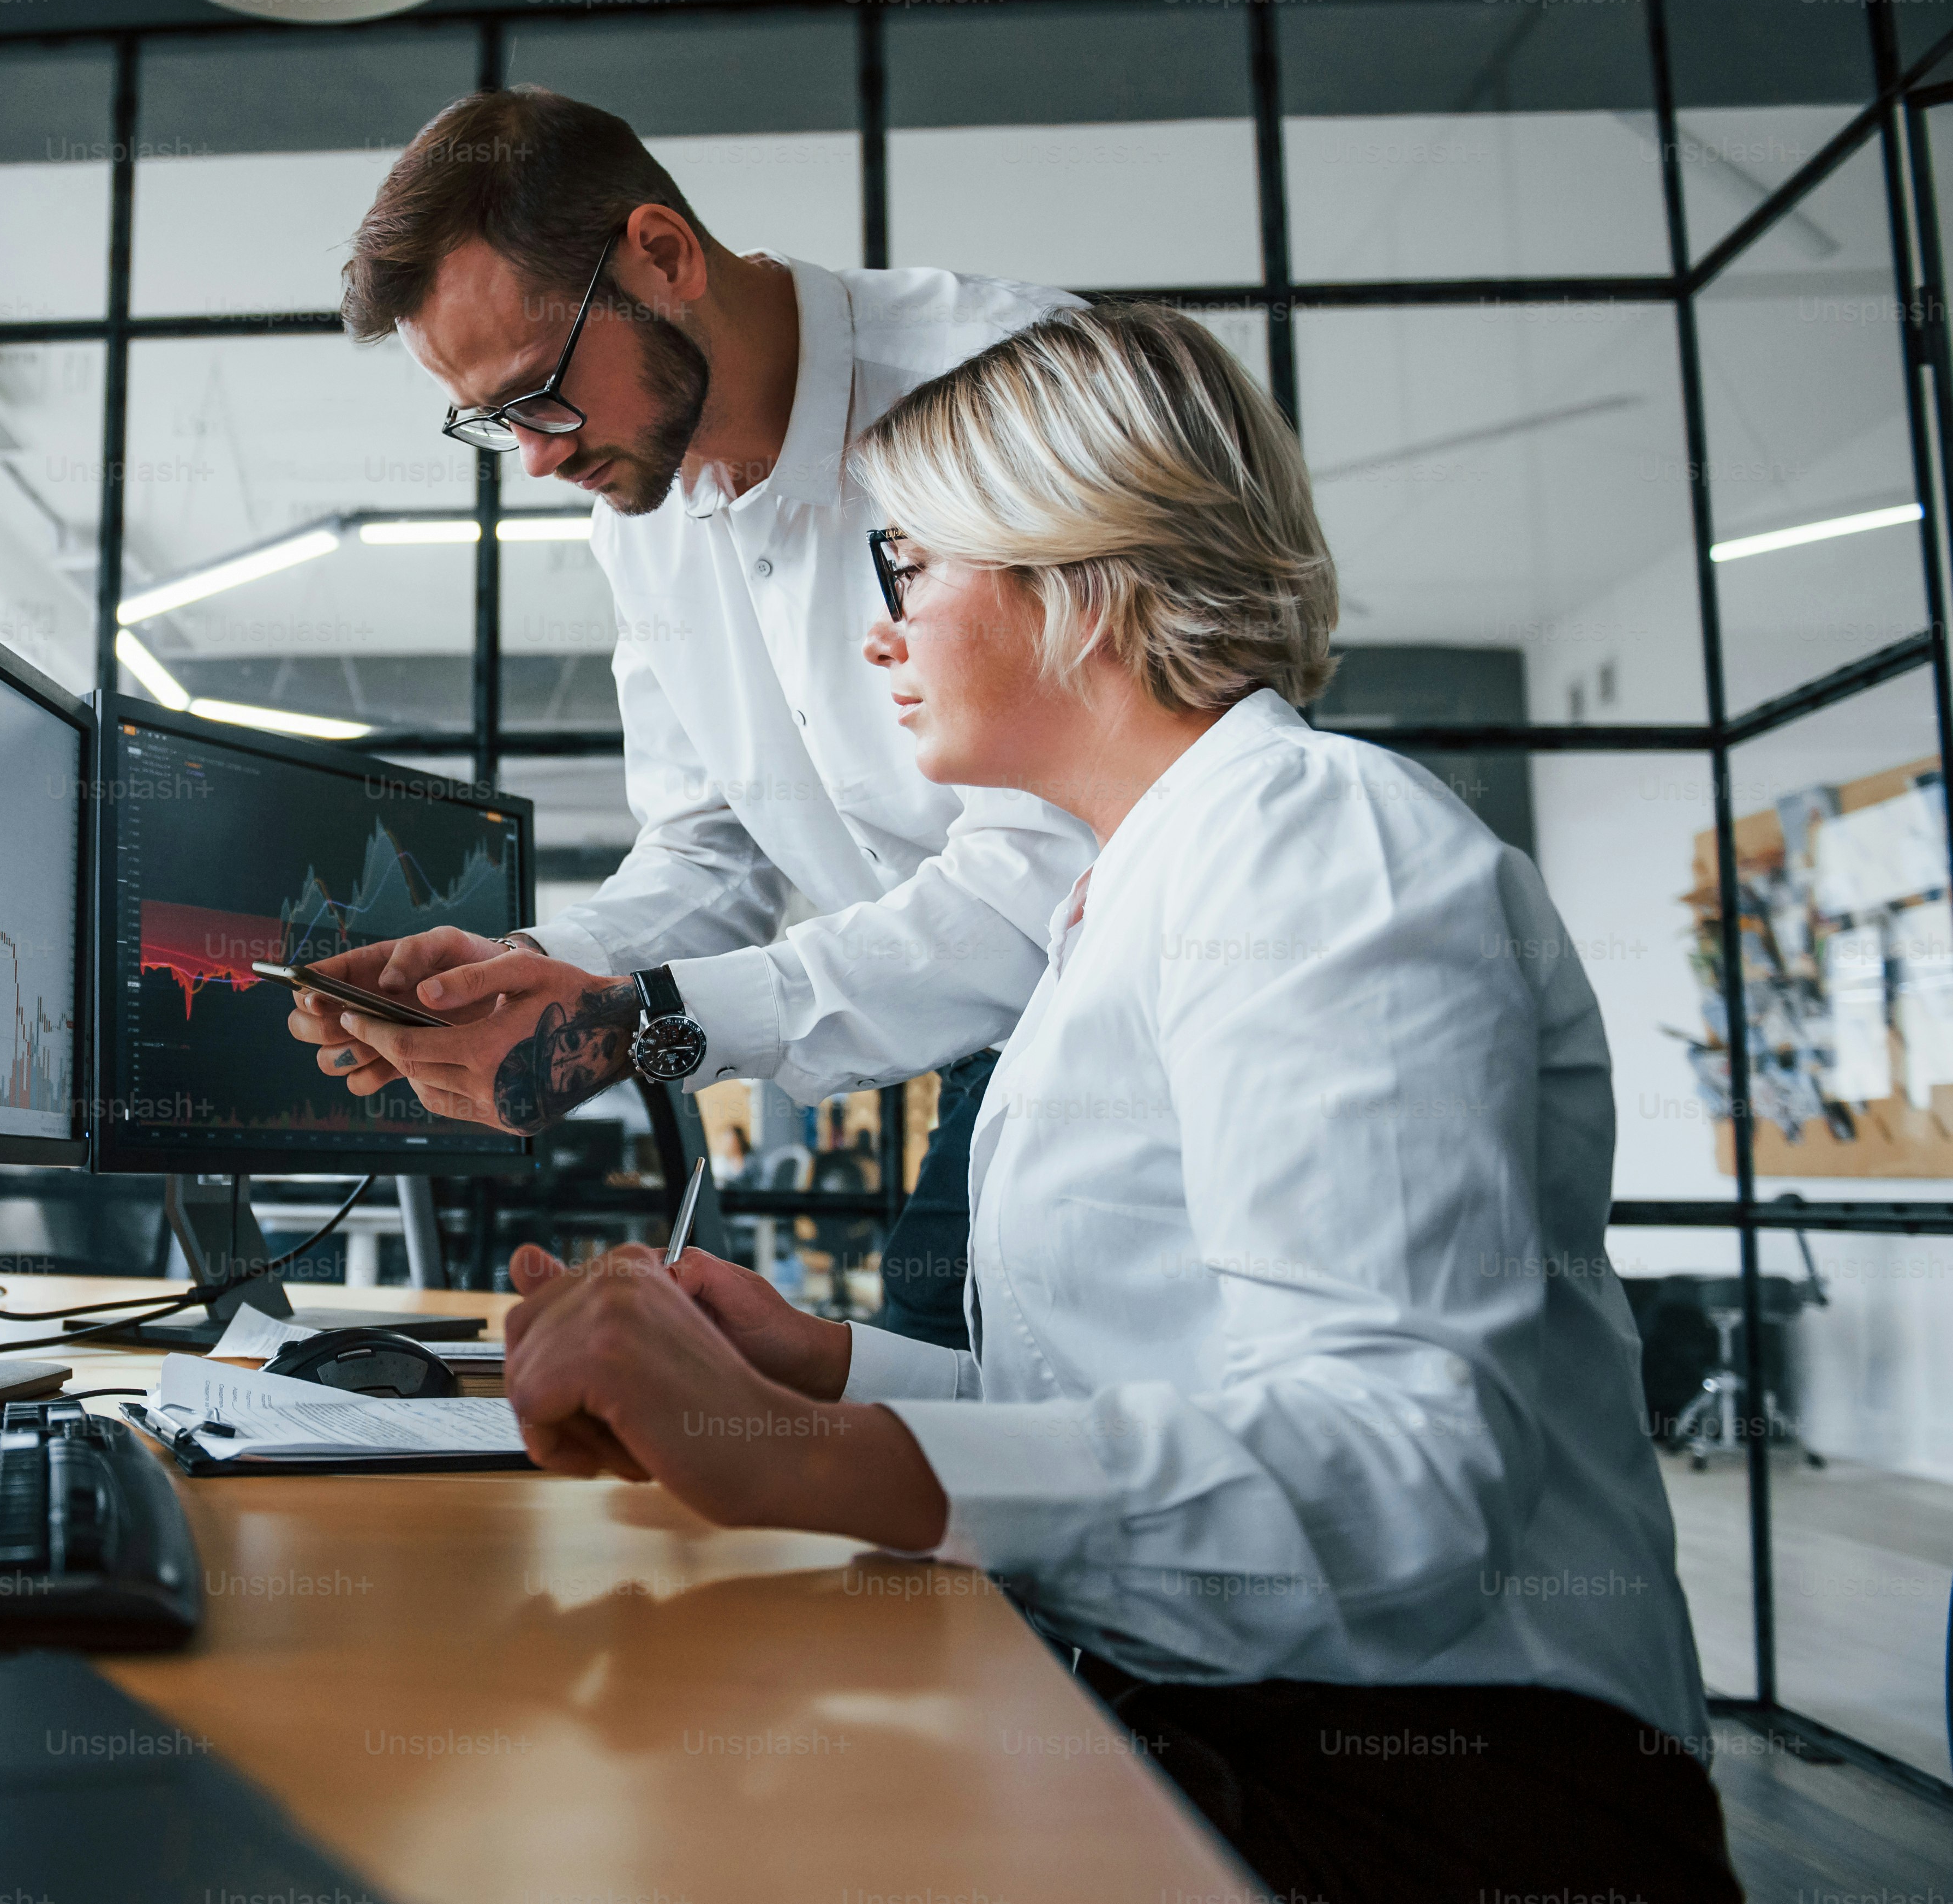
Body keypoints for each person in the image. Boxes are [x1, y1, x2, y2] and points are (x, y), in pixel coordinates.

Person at [438, 303, 1736, 1904]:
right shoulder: (1130, 891)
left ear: (1081, 577)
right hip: (1244, 1705)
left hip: (1451, 1789)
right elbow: (1139, 1388)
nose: (879, 634)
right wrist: (834, 1364)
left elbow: (1397, 1478)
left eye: (908, 568)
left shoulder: (1315, 849)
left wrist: (805, 1456)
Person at [287, 86, 1092, 1349]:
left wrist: (638, 1024)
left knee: (1033, 1470)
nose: (540, 458)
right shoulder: (642, 519)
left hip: (1133, 1034)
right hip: (968, 1051)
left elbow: (1051, 870)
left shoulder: (1004, 388)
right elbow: (707, 854)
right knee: (944, 1447)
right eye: (494, 424)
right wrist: (526, 968)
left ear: (661, 255)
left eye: (540, 391)